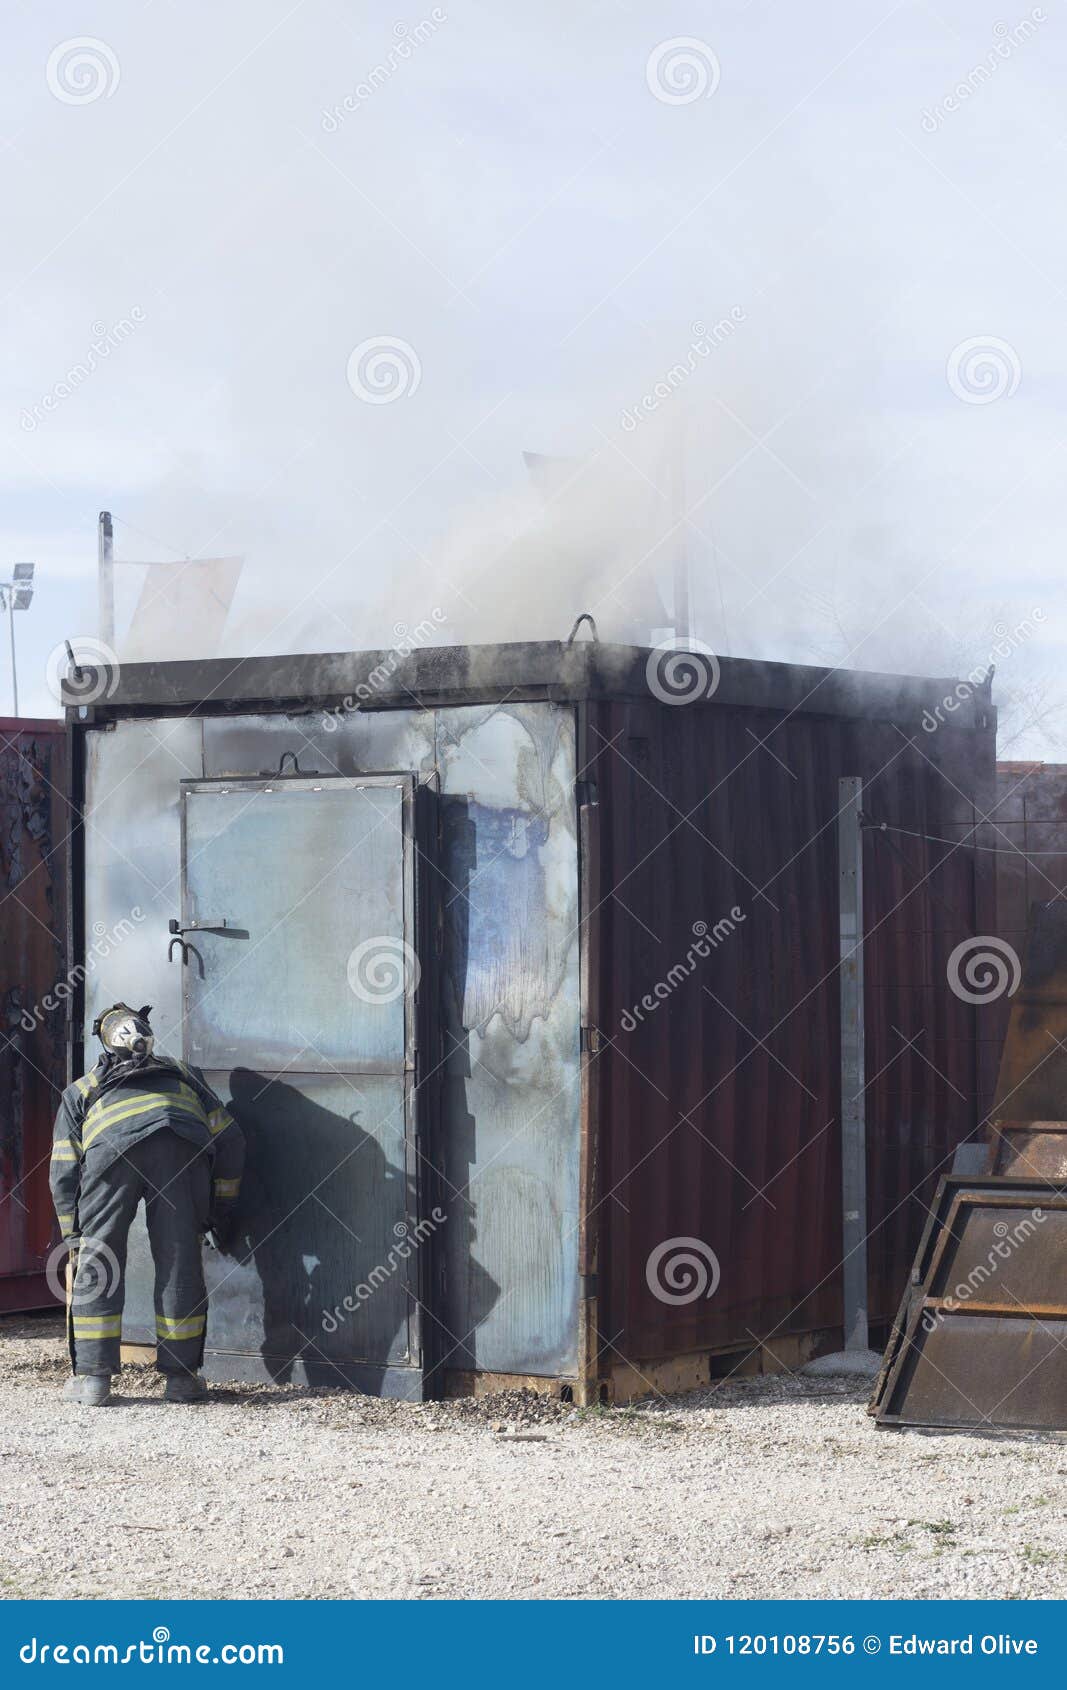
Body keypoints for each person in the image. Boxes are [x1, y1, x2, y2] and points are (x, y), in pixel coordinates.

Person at [49, 1002, 245, 1407]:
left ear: (105, 1043)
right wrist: (220, 1211)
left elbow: (64, 1170)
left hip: (110, 1152)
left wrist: (75, 1236)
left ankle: (94, 1381)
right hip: (182, 1147)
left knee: (99, 1259)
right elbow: (230, 1139)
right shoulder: (185, 1074)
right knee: (180, 1260)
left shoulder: (81, 1090)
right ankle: (182, 1380)